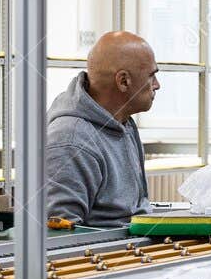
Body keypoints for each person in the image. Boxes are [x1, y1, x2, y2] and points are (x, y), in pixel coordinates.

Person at [46, 31, 160, 225]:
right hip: (109, 253)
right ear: (123, 81)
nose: (157, 85)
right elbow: (59, 235)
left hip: (131, 248)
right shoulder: (70, 140)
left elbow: (134, 209)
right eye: (151, 77)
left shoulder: (123, 122)